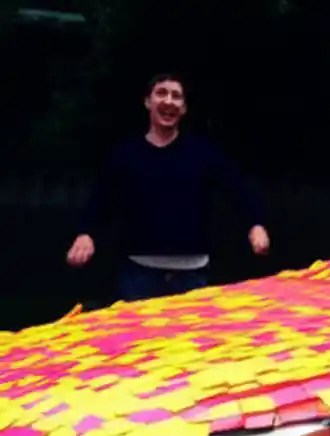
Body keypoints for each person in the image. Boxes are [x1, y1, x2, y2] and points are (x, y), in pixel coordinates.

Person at [68, 73, 270, 302]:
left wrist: (255, 224)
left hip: (192, 276)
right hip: (139, 275)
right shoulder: (126, 155)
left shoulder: (203, 154)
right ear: (147, 102)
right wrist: (85, 234)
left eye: (176, 96)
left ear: (183, 108)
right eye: (161, 93)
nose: (169, 101)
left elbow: (238, 190)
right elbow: (100, 200)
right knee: (141, 338)